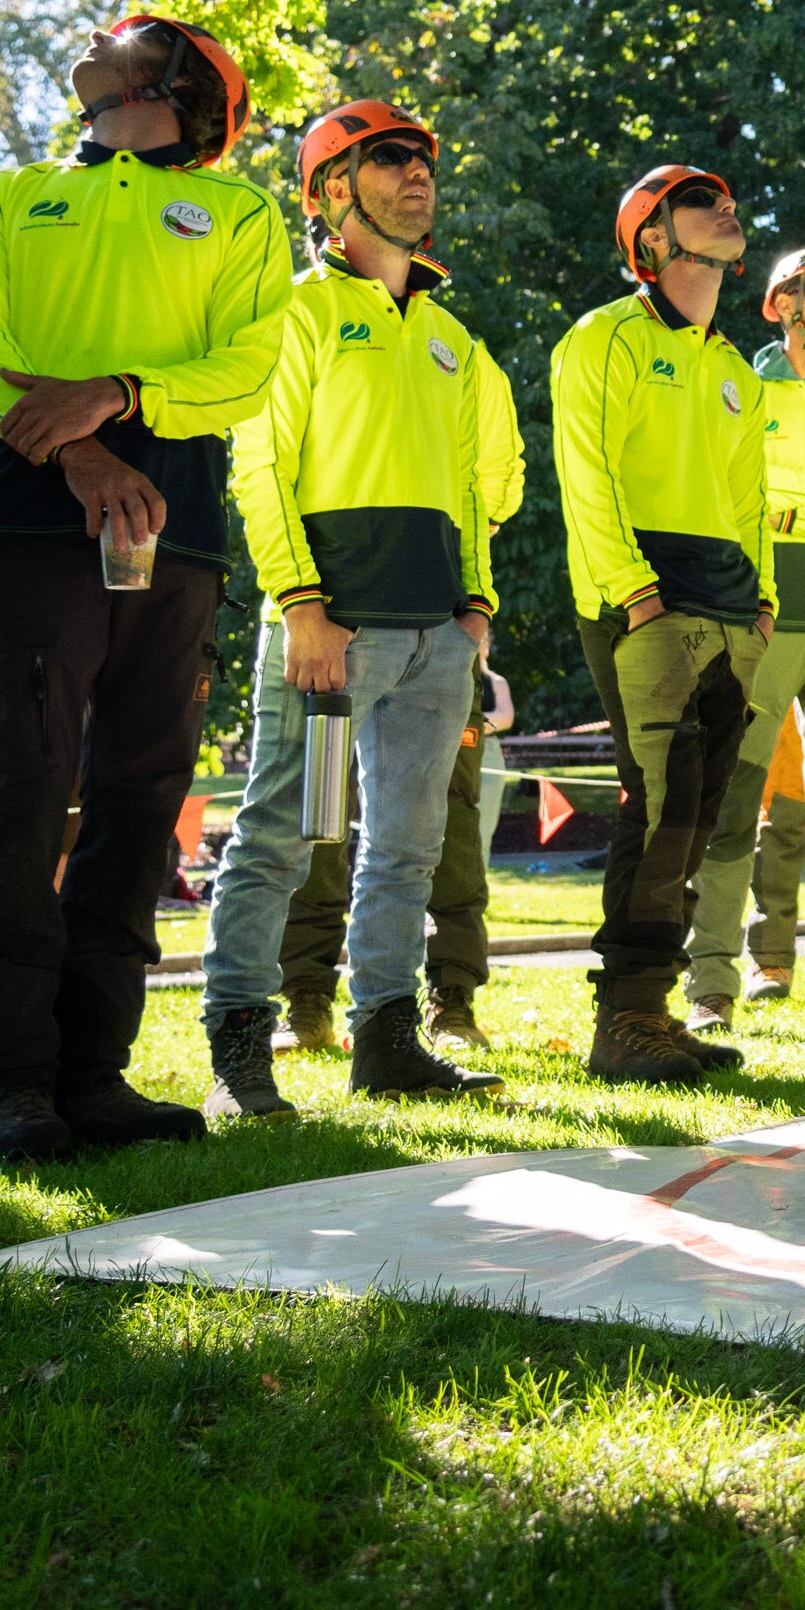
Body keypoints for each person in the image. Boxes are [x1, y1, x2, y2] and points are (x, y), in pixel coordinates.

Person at [0, 10, 290, 1163]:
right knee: (26, 787)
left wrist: (119, 393)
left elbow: (247, 365)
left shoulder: (239, 213)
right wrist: (81, 452)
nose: (97, 33)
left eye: (126, 32)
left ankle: (93, 1075)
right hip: (28, 520)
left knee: (140, 801)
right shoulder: (3, 197)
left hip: (176, 535)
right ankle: (2, 1080)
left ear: (179, 84)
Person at [195, 101, 505, 1116]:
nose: (418, 173)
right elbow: (259, 464)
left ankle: (388, 1041)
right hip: (336, 640)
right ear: (333, 189)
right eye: (389, 158)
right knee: (289, 837)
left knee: (408, 849)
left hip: (434, 644)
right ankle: (240, 1047)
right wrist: (300, 605)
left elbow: (472, 486)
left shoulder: (452, 335)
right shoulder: (296, 311)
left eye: (425, 159)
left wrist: (474, 608)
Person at [553, 163, 777, 1085]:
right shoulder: (602, 336)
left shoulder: (735, 368)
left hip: (730, 611)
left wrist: (763, 600)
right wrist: (634, 590)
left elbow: (750, 498)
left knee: (699, 811)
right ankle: (625, 1019)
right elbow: (587, 471)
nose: (726, 208)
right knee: (658, 806)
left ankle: (657, 1010)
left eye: (725, 199)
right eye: (698, 202)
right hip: (642, 603)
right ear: (653, 237)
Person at [274, 299, 522, 1053]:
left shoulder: (463, 348)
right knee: (316, 814)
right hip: (336, 614)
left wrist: (471, 600)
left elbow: (498, 479)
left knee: (444, 822)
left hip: (442, 614)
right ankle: (306, 997)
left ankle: (450, 998)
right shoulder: (311, 314)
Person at [692, 245, 805, 1023]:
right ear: (782, 303)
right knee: (734, 807)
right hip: (760, 612)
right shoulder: (737, 383)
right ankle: (711, 985)